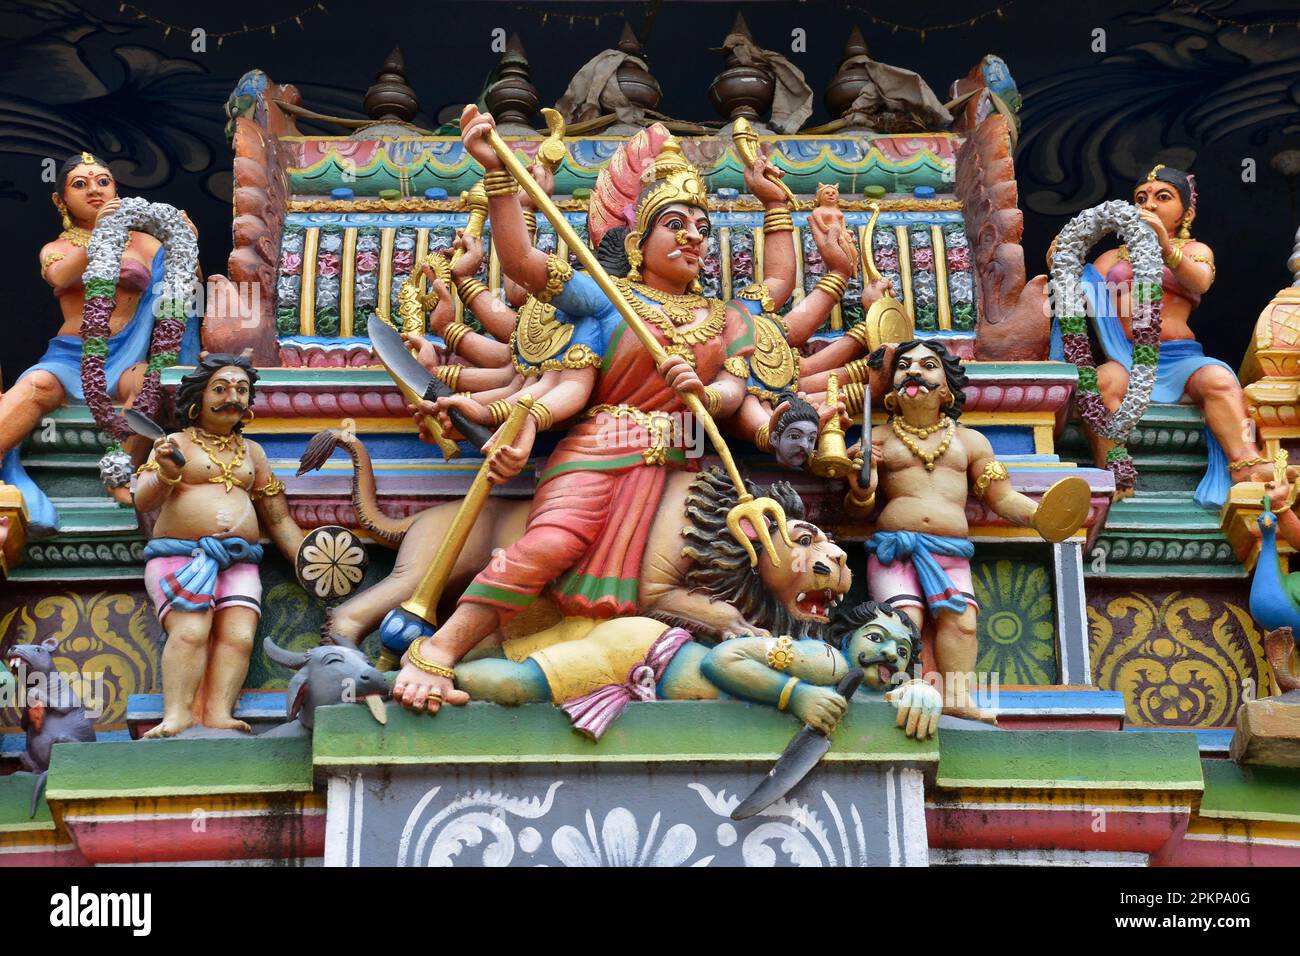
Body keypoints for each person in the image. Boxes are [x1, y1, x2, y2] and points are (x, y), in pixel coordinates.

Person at [387, 111, 855, 715]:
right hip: (603, 446)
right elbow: (529, 272)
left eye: (702, 227)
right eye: (675, 224)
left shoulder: (728, 319)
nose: (692, 236)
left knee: (700, 566)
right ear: (637, 245)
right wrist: (500, 176)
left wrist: (704, 391)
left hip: (686, 458)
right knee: (551, 545)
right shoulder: (610, 302)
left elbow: (738, 390)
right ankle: (438, 653)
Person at [853, 339, 1084, 715]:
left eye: (928, 366)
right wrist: (860, 480)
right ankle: (902, 690)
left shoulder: (971, 442)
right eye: (904, 366)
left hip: (952, 553)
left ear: (946, 388)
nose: (914, 371)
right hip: (896, 549)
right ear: (892, 390)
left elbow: (1001, 497)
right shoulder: (878, 439)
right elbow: (858, 509)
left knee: (962, 625)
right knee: (902, 622)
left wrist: (1040, 516)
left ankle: (958, 698)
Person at [0, 152, 200, 529]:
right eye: (80, 183)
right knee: (36, 385)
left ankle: (122, 474)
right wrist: (101, 237)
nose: (94, 189)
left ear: (116, 189)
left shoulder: (146, 243)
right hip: (71, 355)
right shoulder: (57, 248)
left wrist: (185, 242)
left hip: (129, 356)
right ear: (60, 201)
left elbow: (184, 285)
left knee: (149, 384)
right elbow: (60, 277)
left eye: (103, 181)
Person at [1051, 163, 1266, 506]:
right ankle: (1114, 470)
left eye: (1162, 197)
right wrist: (1062, 260)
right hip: (1124, 357)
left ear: (1187, 212)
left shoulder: (1196, 251)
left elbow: (1200, 281)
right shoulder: (1110, 258)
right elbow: (1079, 296)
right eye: (1141, 197)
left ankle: (1245, 465)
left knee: (1220, 379)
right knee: (1102, 381)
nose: (1149, 205)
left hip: (1180, 359)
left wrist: (1165, 248)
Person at [135, 355, 304, 737]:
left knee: (239, 636)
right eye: (222, 388)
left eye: (242, 390)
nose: (233, 397)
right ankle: (177, 714)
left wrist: (306, 559)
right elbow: (143, 500)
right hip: (182, 556)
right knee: (191, 632)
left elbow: (277, 518)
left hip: (240, 561)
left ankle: (218, 712)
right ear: (198, 398)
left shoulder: (253, 453)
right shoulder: (174, 444)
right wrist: (166, 472)